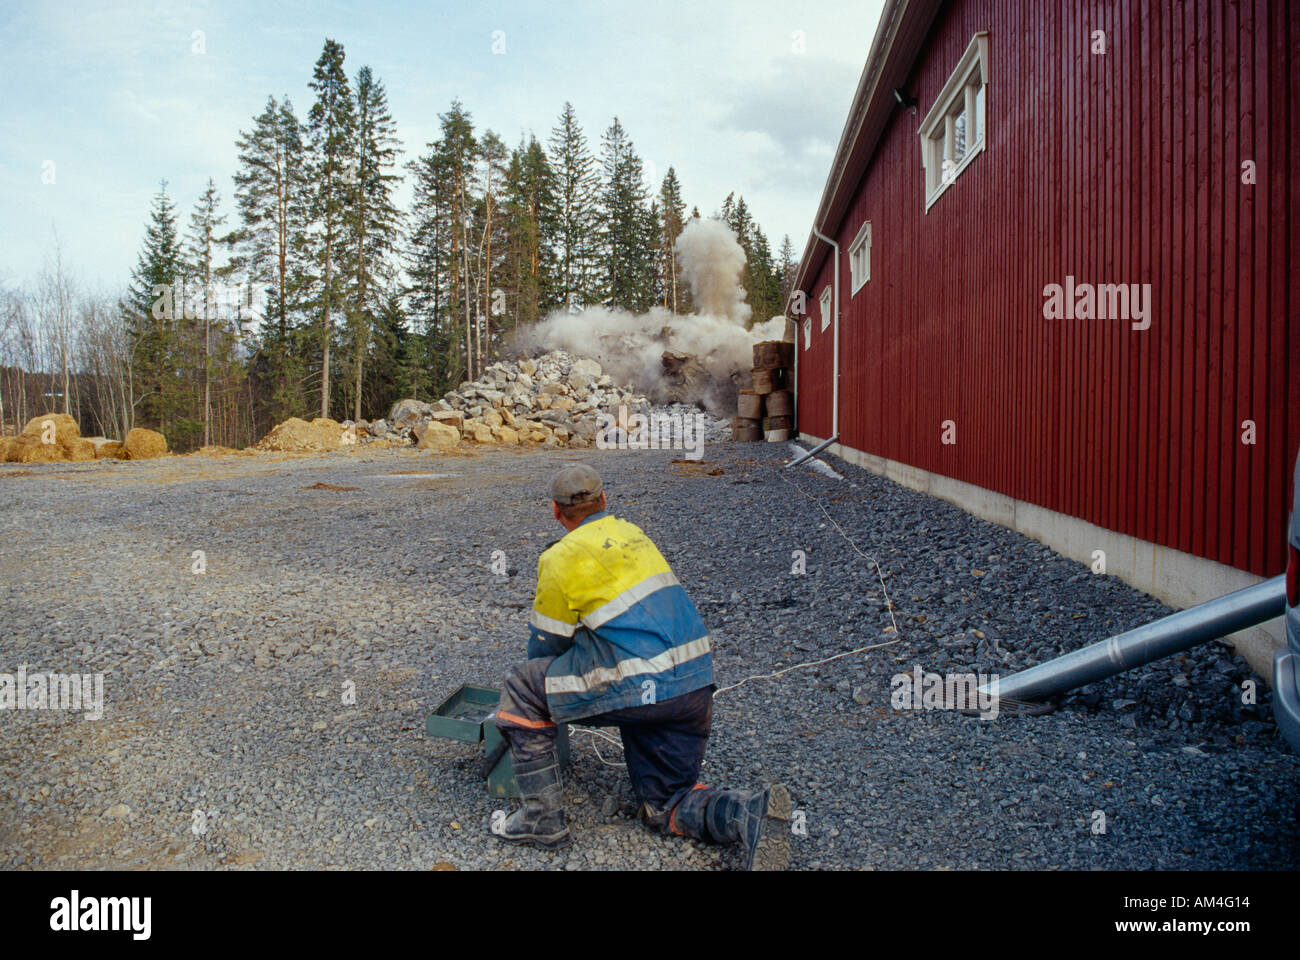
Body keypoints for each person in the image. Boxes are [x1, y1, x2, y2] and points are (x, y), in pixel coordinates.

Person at [490, 463, 791, 870]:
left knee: (524, 688)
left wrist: (557, 701)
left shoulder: (560, 558)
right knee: (666, 804)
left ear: (556, 513)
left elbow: (545, 647)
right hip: (694, 684)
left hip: (643, 687)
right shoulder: (635, 535)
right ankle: (745, 814)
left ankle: (541, 820)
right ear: (605, 501)